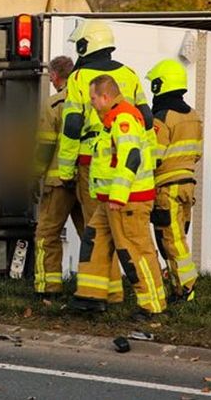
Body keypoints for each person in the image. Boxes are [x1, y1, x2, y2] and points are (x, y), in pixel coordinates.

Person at [55, 21, 151, 303]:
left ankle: (100, 293)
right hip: (127, 165)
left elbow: (72, 126)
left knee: (95, 230)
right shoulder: (129, 74)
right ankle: (114, 293)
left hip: (92, 163)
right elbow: (145, 119)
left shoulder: (78, 77)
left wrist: (65, 169)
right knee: (121, 233)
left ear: (87, 44)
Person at [69, 75, 166, 319]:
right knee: (95, 241)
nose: (91, 103)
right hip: (109, 200)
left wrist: (119, 195)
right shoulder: (111, 120)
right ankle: (91, 297)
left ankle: (152, 306)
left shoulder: (123, 118)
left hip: (127, 200)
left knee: (134, 250)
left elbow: (131, 156)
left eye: (92, 98)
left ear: (105, 97)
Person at [146, 59, 204, 302]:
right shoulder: (193, 116)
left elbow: (153, 158)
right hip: (187, 185)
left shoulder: (161, 117)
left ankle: (186, 289)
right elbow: (197, 153)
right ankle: (181, 287)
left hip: (166, 189)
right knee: (180, 237)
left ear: (161, 85)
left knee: (170, 239)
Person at [32, 55, 82, 295]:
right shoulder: (89, 101)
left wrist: (33, 175)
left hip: (57, 184)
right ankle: (99, 290)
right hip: (84, 181)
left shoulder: (53, 105)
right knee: (95, 238)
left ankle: (48, 288)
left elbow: (44, 146)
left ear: (53, 76)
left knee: (47, 235)